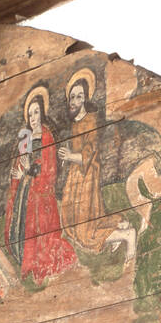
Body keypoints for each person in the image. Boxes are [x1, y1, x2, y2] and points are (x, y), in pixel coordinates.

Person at [57, 70, 135, 260]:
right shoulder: (75, 121)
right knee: (72, 224)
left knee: (85, 234)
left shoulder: (90, 120)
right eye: (72, 97)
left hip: (87, 174)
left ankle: (127, 236)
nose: (75, 101)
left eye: (79, 96)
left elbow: (89, 153)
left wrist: (69, 156)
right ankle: (119, 227)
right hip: (76, 174)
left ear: (86, 98)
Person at [6, 90, 77, 285]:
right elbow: (20, 165)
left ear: (42, 112)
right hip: (26, 192)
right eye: (30, 114)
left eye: (36, 112)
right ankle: (25, 260)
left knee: (44, 239)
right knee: (21, 227)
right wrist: (21, 175)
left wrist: (28, 173)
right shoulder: (26, 137)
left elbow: (49, 171)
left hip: (41, 193)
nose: (33, 118)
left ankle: (37, 263)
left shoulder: (46, 136)